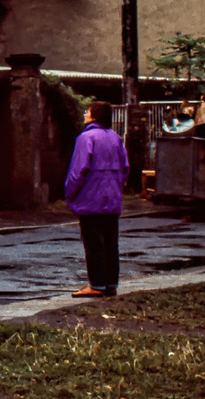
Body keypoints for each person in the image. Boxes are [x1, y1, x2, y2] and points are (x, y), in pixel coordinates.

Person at [66, 99, 129, 297]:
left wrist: (70, 193)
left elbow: (78, 170)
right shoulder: (116, 138)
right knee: (110, 243)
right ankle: (111, 283)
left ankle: (96, 284)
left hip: (91, 198)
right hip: (112, 198)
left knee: (93, 243)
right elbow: (125, 168)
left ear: (94, 116)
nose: (85, 114)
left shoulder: (86, 138)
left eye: (88, 111)